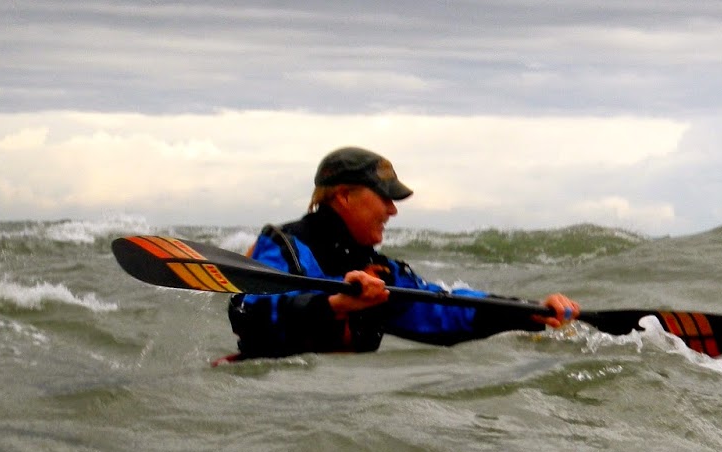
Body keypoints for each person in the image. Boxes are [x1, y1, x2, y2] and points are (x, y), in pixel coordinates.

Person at [227, 147, 579, 359]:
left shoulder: (379, 272)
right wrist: (336, 303)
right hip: (271, 400)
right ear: (343, 196)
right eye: (385, 198)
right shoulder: (283, 245)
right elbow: (249, 311)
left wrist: (528, 312)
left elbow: (441, 309)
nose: (392, 211)